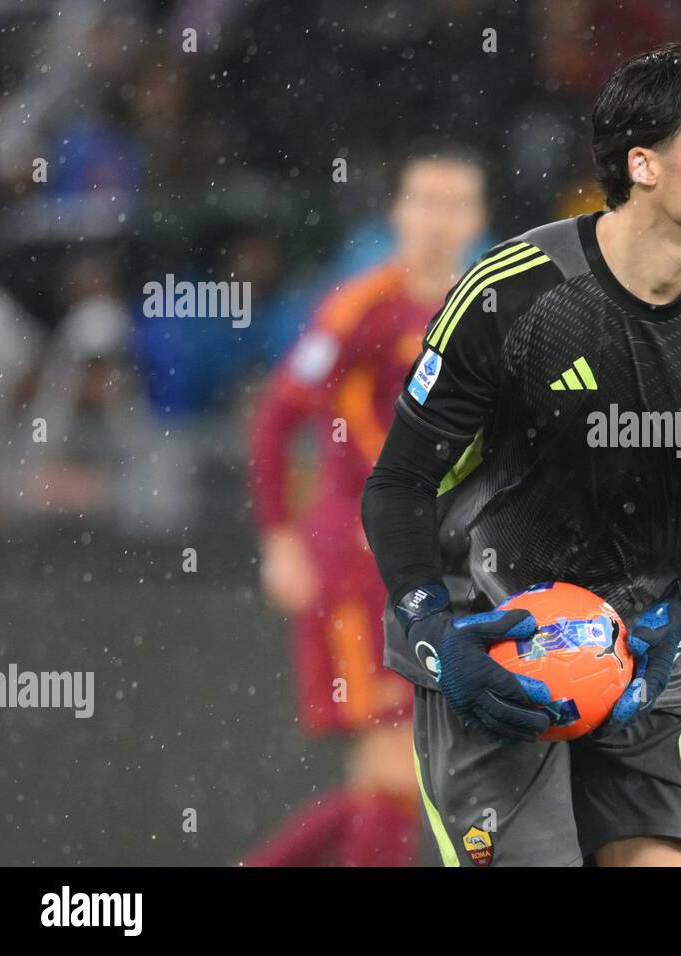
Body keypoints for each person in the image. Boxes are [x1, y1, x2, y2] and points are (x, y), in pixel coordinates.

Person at [362, 42, 681, 867]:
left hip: (647, 645)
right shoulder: (511, 295)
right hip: (493, 639)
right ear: (643, 165)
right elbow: (397, 484)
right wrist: (437, 635)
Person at [245, 149, 488, 865]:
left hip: (427, 568)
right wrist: (279, 539)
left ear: (477, 220)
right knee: (394, 767)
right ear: (398, 213)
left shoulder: (478, 317)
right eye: (426, 201)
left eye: (456, 205)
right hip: (353, 561)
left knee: (390, 780)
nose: (439, 220)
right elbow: (275, 419)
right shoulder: (358, 308)